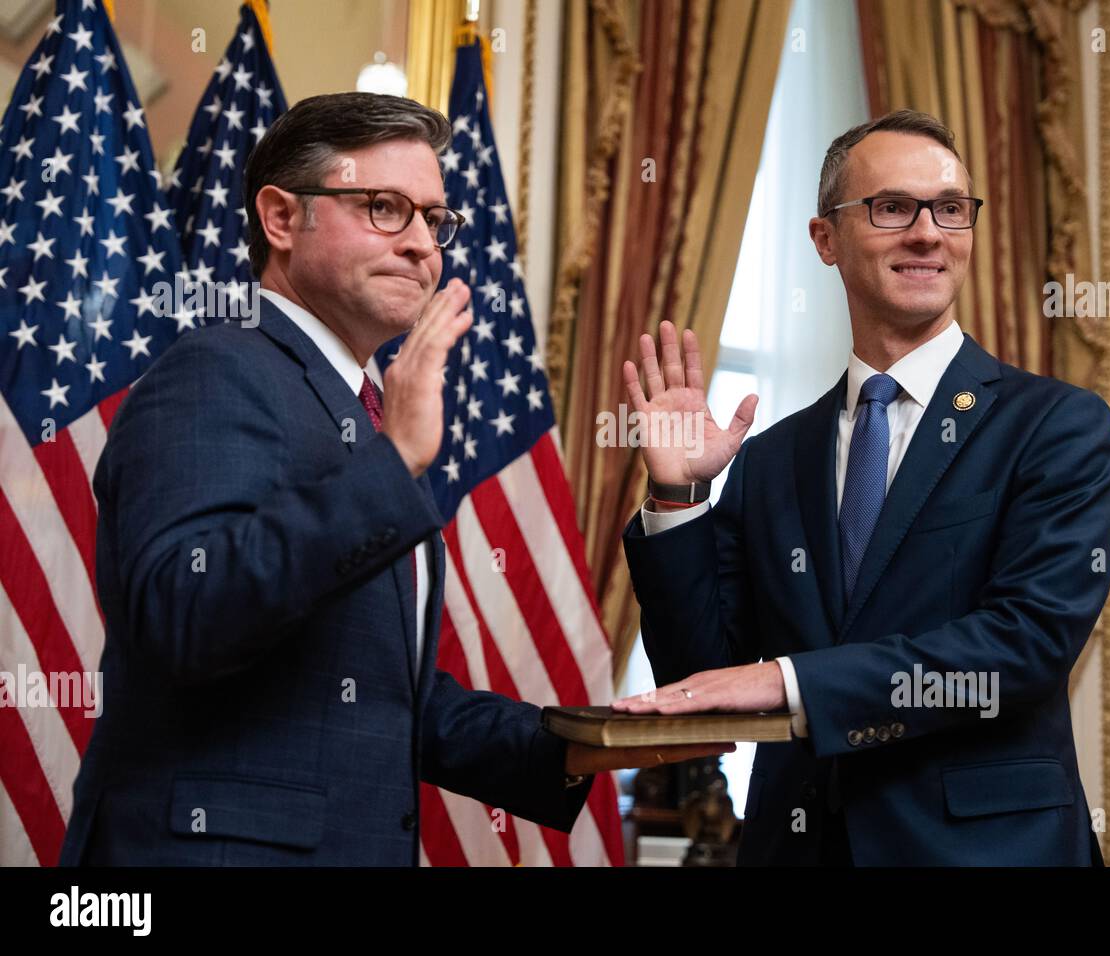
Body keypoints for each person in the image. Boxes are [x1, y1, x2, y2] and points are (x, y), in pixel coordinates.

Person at [59, 92, 724, 866]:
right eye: (384, 208)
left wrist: (595, 742)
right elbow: (185, 614)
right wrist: (393, 462)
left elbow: (379, 695)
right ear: (280, 218)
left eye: (434, 221)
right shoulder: (217, 370)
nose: (422, 246)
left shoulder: (365, 407)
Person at [614, 109, 1110, 866]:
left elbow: (1025, 646)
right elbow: (700, 677)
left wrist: (790, 680)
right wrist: (678, 500)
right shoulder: (773, 456)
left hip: (986, 850)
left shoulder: (1056, 426)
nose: (927, 233)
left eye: (950, 209)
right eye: (892, 208)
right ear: (826, 239)